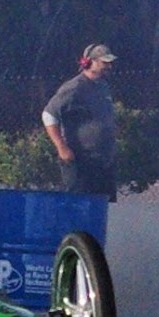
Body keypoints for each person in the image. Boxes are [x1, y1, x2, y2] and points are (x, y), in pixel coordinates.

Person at [42, 43, 119, 201]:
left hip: (102, 161)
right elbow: (49, 115)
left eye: (110, 62)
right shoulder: (74, 87)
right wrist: (62, 148)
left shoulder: (103, 86)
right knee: (79, 207)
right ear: (90, 62)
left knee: (101, 208)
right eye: (104, 62)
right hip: (81, 161)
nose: (109, 66)